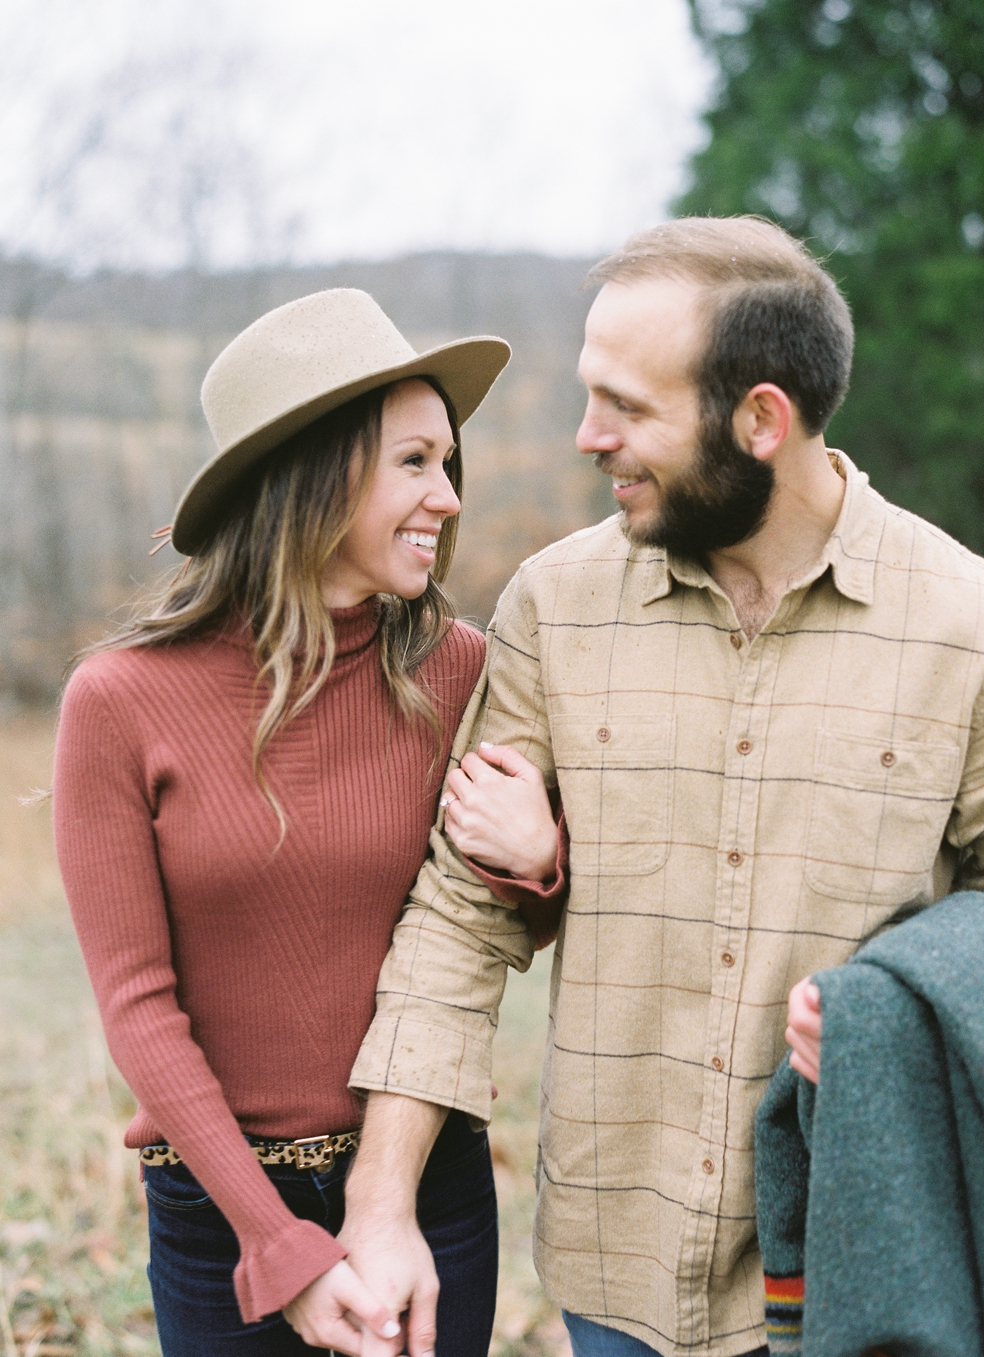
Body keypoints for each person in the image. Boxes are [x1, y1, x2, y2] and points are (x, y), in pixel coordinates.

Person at [328, 217, 984, 1357]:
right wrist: (380, 1202)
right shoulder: (557, 606)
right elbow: (459, 919)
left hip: (868, 1272)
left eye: (628, 407)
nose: (586, 436)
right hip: (616, 1265)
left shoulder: (983, 632)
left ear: (760, 418)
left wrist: (902, 1000)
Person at [50, 287, 559, 1356]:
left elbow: (490, 917)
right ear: (318, 473)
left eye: (448, 462)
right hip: (217, 1210)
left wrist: (545, 863)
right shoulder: (120, 699)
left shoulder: (460, 671)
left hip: (427, 1184)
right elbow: (138, 1005)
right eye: (414, 462)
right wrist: (273, 1239)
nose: (450, 496)